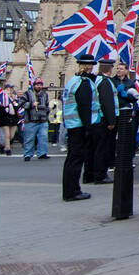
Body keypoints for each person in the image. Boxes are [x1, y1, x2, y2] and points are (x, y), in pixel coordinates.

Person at [60, 54, 100, 201]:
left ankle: (69, 190)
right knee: (76, 159)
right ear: (89, 67)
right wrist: (88, 128)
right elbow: (84, 106)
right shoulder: (83, 83)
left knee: (71, 158)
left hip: (72, 125)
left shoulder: (73, 81)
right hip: (80, 126)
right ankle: (73, 191)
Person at [18, 77, 50, 160]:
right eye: (37, 85)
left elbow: (47, 105)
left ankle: (42, 153)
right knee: (29, 138)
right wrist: (31, 104)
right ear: (34, 85)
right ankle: (27, 154)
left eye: (40, 85)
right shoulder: (28, 93)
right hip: (31, 120)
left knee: (43, 137)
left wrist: (47, 112)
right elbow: (21, 103)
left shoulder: (45, 94)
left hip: (43, 120)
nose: (39, 86)